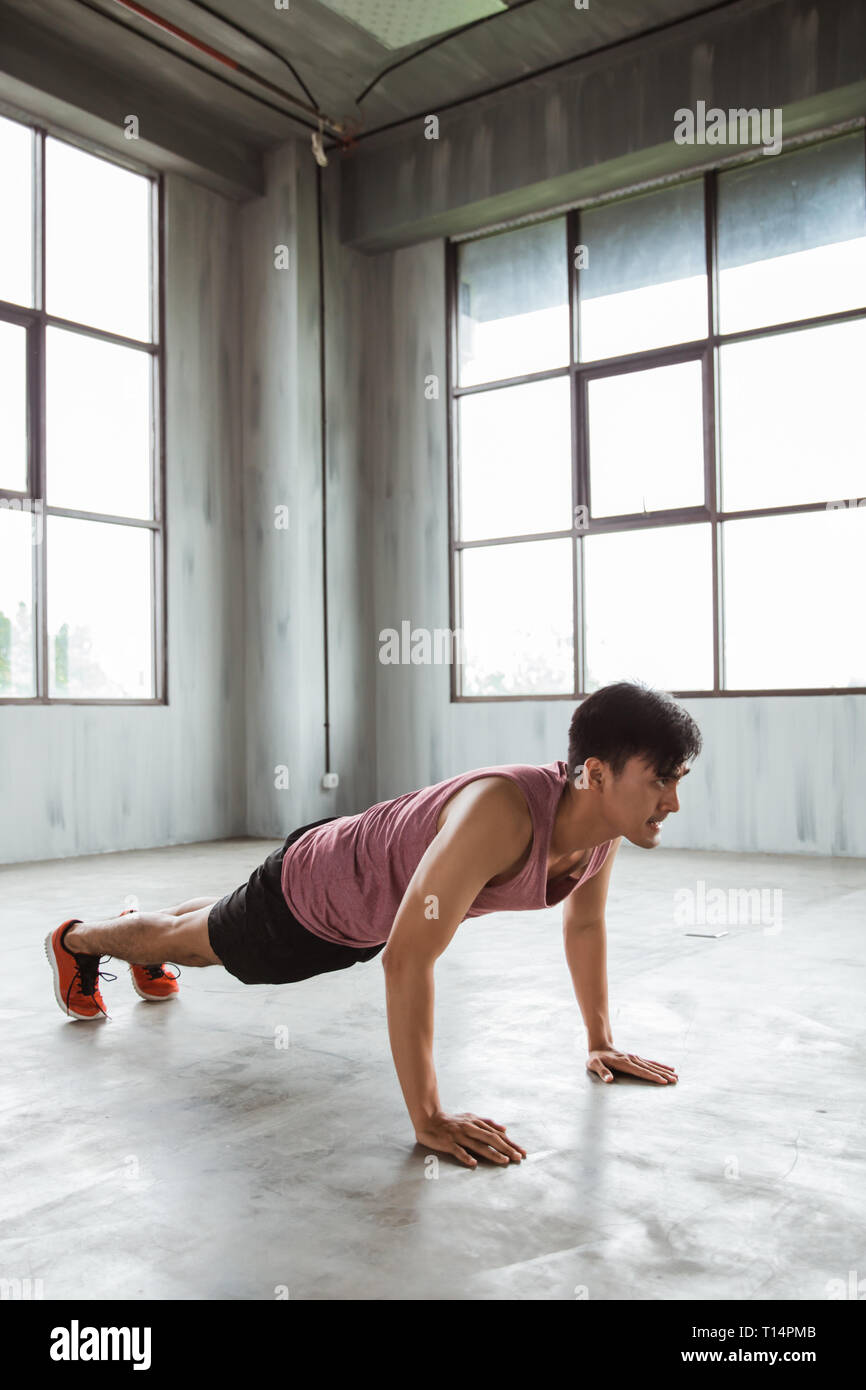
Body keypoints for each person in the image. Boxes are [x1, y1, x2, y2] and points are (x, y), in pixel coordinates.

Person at [45, 679, 701, 1169]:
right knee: (194, 945)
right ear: (593, 774)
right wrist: (430, 1118)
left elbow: (584, 928)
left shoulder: (603, 829)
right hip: (313, 904)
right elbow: (409, 960)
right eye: (660, 781)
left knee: (206, 921)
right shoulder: (503, 815)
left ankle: (138, 929)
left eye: (679, 780)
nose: (672, 801)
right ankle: (78, 940)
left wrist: (601, 1039)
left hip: (355, 888)